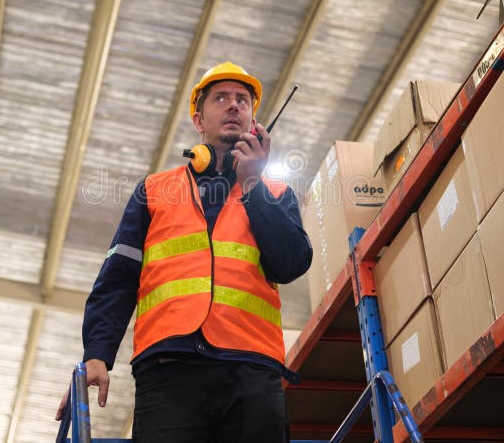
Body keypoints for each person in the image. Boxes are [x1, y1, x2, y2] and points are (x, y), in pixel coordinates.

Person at [56, 61, 313, 442]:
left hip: (251, 372)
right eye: (221, 98)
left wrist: (255, 183)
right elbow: (118, 279)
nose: (233, 106)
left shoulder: (274, 194)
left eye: (242, 100)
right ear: (199, 120)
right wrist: (97, 353)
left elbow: (289, 263)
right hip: (169, 372)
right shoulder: (155, 190)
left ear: (254, 122)